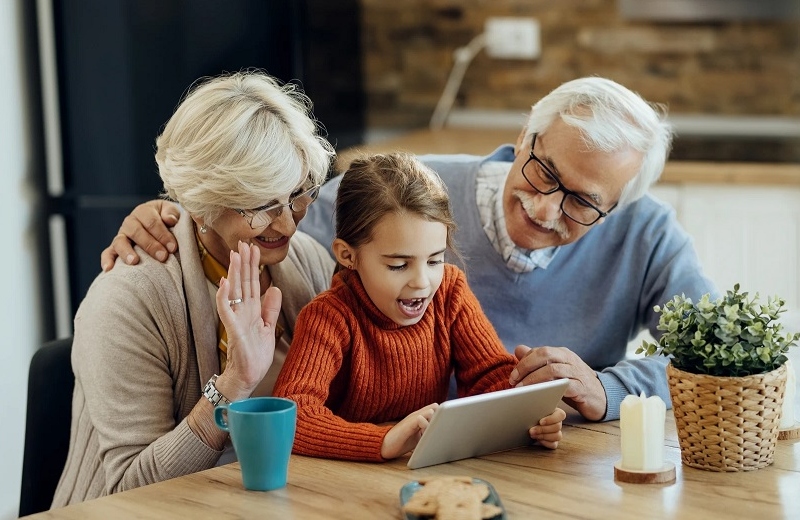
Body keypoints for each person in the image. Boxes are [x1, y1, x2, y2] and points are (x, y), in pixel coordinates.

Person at [99, 76, 718, 423]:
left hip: (538, 461)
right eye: (542, 172)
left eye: (583, 203)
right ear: (525, 134)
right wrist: (170, 213)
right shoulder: (404, 189)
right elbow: (257, 211)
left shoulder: (647, 234)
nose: (545, 208)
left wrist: (608, 389)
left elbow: (720, 363)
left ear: (618, 205)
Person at [52, 70, 335, 506]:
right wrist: (234, 383)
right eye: (262, 205)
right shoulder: (127, 301)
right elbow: (131, 490)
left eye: (299, 193)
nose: (287, 222)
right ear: (202, 204)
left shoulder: (307, 261)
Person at [272, 153, 565, 461]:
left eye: (435, 260)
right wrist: (383, 440)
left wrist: (528, 413)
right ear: (348, 256)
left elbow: (488, 376)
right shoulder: (328, 317)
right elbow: (291, 416)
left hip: (427, 467)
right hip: (345, 482)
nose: (422, 282)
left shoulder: (450, 292)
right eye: (399, 265)